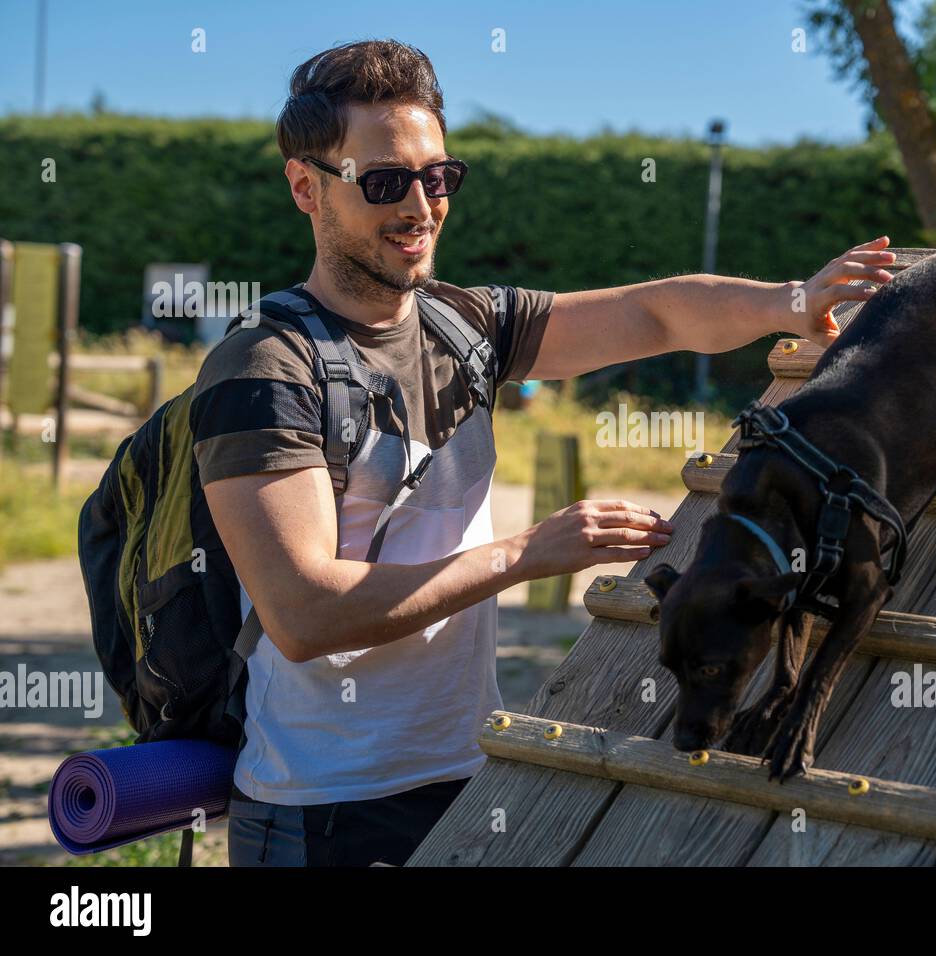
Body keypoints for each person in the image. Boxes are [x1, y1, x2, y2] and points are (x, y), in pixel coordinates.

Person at [196, 38, 895, 866]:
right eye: (383, 182)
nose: (420, 205)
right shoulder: (264, 364)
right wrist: (527, 554)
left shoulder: (467, 325)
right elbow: (306, 615)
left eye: (438, 176)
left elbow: (655, 315)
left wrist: (792, 300)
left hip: (467, 774)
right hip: (324, 810)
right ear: (306, 187)